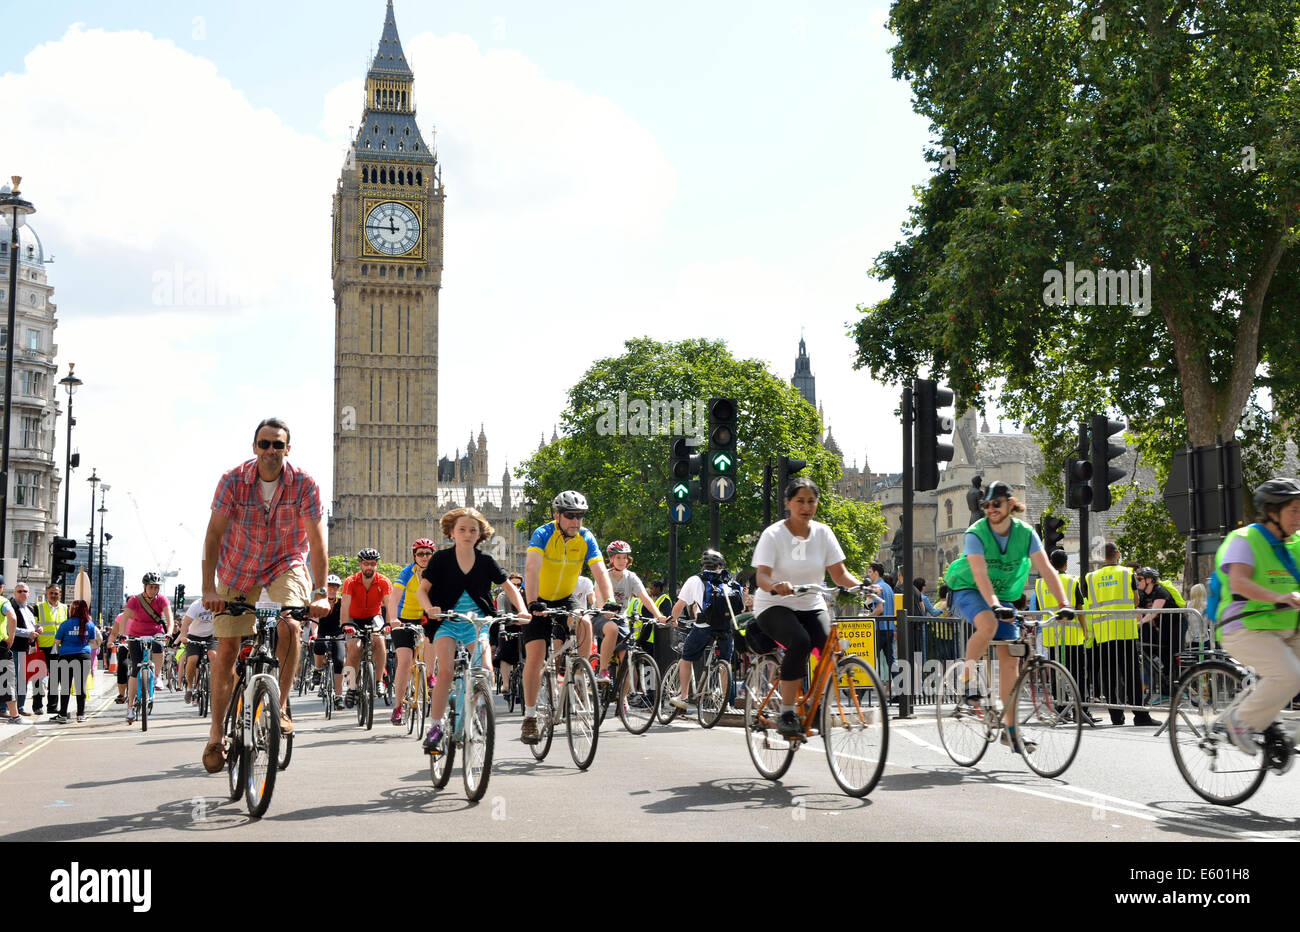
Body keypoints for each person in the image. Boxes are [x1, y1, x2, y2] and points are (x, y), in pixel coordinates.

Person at [200, 417, 330, 775]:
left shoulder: (304, 483)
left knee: (290, 625)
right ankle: (215, 734)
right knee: (227, 649)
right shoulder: (232, 481)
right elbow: (213, 536)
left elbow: (317, 542)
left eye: (278, 444)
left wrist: (320, 592)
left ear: (288, 448)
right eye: (265, 444)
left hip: (285, 563)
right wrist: (208, 588)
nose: (271, 450)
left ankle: (281, 705)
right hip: (237, 567)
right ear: (254, 447)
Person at [944, 480, 1075, 751]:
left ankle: (1010, 730)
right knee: (989, 624)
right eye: (986, 505)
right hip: (967, 589)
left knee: (1011, 660)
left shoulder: (1026, 534)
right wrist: (993, 604)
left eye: (997, 504)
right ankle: (966, 683)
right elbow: (979, 575)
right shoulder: (976, 533)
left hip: (1002, 596)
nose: (991, 509)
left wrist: (1064, 603)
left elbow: (1047, 570)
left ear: (1011, 504)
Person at [752, 477, 865, 738]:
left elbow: (839, 574)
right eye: (800, 501)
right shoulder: (773, 534)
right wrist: (775, 585)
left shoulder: (824, 533)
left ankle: (815, 704)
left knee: (828, 648)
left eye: (811, 501)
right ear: (788, 503)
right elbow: (761, 576)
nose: (806, 506)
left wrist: (862, 587)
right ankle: (788, 712)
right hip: (774, 604)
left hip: (811, 603)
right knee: (800, 641)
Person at [418, 507, 527, 750]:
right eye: (462, 529)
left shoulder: (486, 561)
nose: (468, 534)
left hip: (477, 624)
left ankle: (478, 710)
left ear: (480, 534)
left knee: (485, 670)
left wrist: (521, 609)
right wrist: (430, 608)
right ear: (452, 533)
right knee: (445, 671)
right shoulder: (441, 559)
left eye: (473, 530)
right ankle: (435, 727)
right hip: (447, 621)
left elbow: (509, 587)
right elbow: (422, 591)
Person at [1210, 478, 1300, 755]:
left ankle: (1280, 732)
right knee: (1289, 676)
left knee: (1287, 675)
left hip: (1286, 627)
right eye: (1294, 510)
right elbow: (1238, 582)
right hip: (1244, 626)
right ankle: (1239, 723)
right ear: (1273, 511)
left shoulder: (1295, 543)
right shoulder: (1246, 539)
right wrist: (1280, 597)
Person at [519, 490, 615, 744]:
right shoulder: (543, 533)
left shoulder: (586, 537)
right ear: (557, 515)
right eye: (570, 515)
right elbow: (531, 568)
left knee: (584, 622)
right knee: (536, 658)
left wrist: (610, 601)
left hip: (565, 596)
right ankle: (529, 717)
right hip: (538, 596)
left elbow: (600, 571)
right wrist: (531, 602)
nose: (576, 521)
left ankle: (580, 675)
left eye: (580, 516)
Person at [1085, 543, 1153, 726]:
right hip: (1125, 631)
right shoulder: (1126, 573)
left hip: (1103, 633)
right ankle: (1140, 715)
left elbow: (1089, 601)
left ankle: (1116, 717)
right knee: (1131, 674)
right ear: (1118, 554)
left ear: (1101, 556)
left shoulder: (1091, 577)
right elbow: (1136, 599)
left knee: (1108, 676)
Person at [667, 550, 740, 710]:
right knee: (725, 664)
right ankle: (725, 702)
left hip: (703, 627)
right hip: (726, 628)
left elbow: (679, 606)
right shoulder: (730, 581)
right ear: (721, 565)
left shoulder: (695, 580)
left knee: (687, 657)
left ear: (704, 565)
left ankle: (684, 696)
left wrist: (674, 619)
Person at [1033, 549, 1096, 724]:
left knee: (1056, 675)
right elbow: (1079, 609)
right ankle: (1081, 711)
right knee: (1077, 675)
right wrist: (1085, 630)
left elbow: (1041, 609)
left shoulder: (1041, 584)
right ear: (1066, 563)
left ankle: (1060, 710)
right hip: (1072, 637)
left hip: (1052, 637)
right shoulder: (1072, 581)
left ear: (1051, 564)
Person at [596, 540, 666, 685]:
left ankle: (624, 699)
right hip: (601, 617)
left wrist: (659, 615)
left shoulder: (631, 577)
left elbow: (645, 598)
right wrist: (605, 609)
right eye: (618, 557)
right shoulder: (604, 575)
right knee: (612, 629)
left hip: (620, 618)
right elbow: (598, 596)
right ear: (612, 559)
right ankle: (603, 670)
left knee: (627, 659)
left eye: (625, 557)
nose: (622, 561)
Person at [387, 539, 435, 725]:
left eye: (428, 553)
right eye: (420, 553)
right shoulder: (407, 573)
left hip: (425, 617)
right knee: (405, 661)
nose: (424, 557)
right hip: (404, 619)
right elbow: (394, 598)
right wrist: (393, 619)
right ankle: (398, 706)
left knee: (433, 636)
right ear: (414, 556)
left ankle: (430, 674)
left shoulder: (438, 574)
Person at [119, 573, 175, 724]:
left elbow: (170, 619)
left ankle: (157, 676)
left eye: (156, 587)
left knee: (159, 644)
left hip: (156, 633)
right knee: (136, 670)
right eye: (151, 587)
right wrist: (123, 635)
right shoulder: (135, 600)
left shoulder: (162, 599)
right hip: (136, 635)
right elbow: (125, 618)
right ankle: (130, 707)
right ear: (145, 586)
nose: (153, 590)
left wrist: (169, 633)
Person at [341, 548, 392, 706]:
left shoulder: (383, 581)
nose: (369, 567)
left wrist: (388, 624)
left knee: (379, 640)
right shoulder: (350, 581)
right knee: (354, 648)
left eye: (372, 564)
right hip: (353, 618)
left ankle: (378, 680)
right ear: (360, 565)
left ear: (377, 565)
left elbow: (390, 606)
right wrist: (345, 625)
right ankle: (351, 687)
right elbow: (344, 606)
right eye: (365, 564)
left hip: (374, 617)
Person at [1135, 566, 1185, 700]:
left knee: (1172, 655)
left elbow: (1153, 613)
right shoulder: (1143, 595)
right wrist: (1135, 625)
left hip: (1176, 624)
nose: (1137, 582)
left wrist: (1140, 623)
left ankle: (1181, 688)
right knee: (1160, 654)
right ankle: (1165, 691)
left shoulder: (1160, 592)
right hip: (1162, 627)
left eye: (1139, 579)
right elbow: (1139, 613)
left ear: (1149, 580)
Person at [52, 600, 99, 723]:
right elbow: (93, 642)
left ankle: (62, 715)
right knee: (80, 686)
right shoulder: (90, 625)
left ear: (72, 610)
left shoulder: (65, 624)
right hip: (83, 656)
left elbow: (57, 642)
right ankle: (81, 715)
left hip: (66, 657)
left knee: (65, 687)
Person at [31, 583, 67, 718]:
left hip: (59, 648)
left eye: (56, 593)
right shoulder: (38, 608)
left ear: (60, 594)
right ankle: (37, 706)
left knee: (55, 678)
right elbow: (32, 624)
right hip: (42, 646)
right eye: (51, 593)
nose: (53, 595)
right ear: (47, 593)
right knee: (38, 677)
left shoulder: (65, 608)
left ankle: (52, 707)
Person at [312, 574, 346, 709]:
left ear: (338, 590)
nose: (332, 590)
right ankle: (318, 670)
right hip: (322, 632)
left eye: (335, 588)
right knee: (319, 644)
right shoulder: (320, 601)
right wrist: (314, 634)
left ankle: (339, 696)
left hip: (338, 634)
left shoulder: (342, 602)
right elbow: (315, 620)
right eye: (329, 587)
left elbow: (346, 618)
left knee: (339, 661)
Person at [4, 583, 39, 716]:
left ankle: (21, 706)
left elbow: (32, 624)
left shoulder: (30, 608)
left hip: (27, 648)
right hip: (14, 647)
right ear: (14, 593)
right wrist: (28, 633)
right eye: (19, 591)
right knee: (10, 679)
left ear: (29, 594)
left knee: (23, 678)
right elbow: (10, 628)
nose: (22, 593)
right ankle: (4, 708)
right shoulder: (11, 607)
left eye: (25, 591)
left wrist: (37, 628)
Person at [177, 596, 217, 706]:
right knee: (193, 659)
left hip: (210, 636)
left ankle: (213, 685)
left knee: (213, 656)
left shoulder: (217, 604)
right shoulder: (195, 606)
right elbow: (186, 624)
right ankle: (190, 687)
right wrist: (184, 637)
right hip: (194, 636)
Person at [866, 563, 896, 689]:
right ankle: (903, 691)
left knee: (868, 659)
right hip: (889, 628)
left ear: (876, 573)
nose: (868, 574)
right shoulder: (888, 587)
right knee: (891, 661)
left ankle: (859, 692)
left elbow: (879, 609)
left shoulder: (877, 587)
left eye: (870, 571)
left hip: (880, 629)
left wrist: (866, 618)